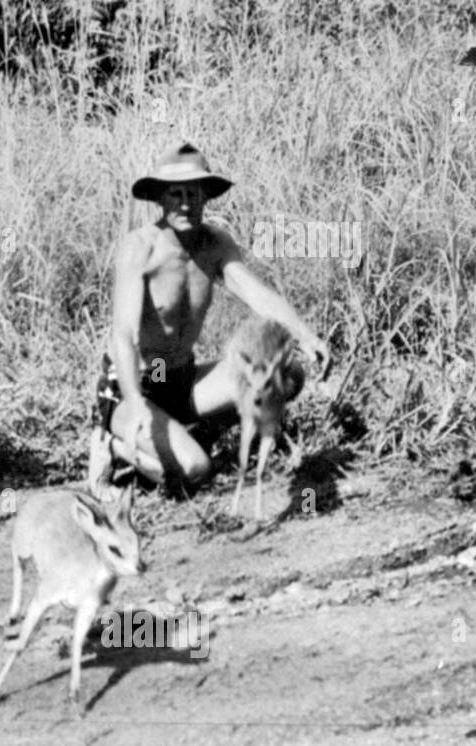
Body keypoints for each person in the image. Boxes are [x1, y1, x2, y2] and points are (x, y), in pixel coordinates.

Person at [92, 143, 331, 490]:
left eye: (194, 193)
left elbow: (257, 294)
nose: (186, 203)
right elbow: (123, 336)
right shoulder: (140, 247)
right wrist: (135, 403)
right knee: (195, 469)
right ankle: (112, 447)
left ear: (206, 197)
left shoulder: (214, 244)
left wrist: (305, 335)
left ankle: (193, 431)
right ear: (160, 198)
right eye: (176, 193)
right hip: (138, 386)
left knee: (286, 374)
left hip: (180, 382)